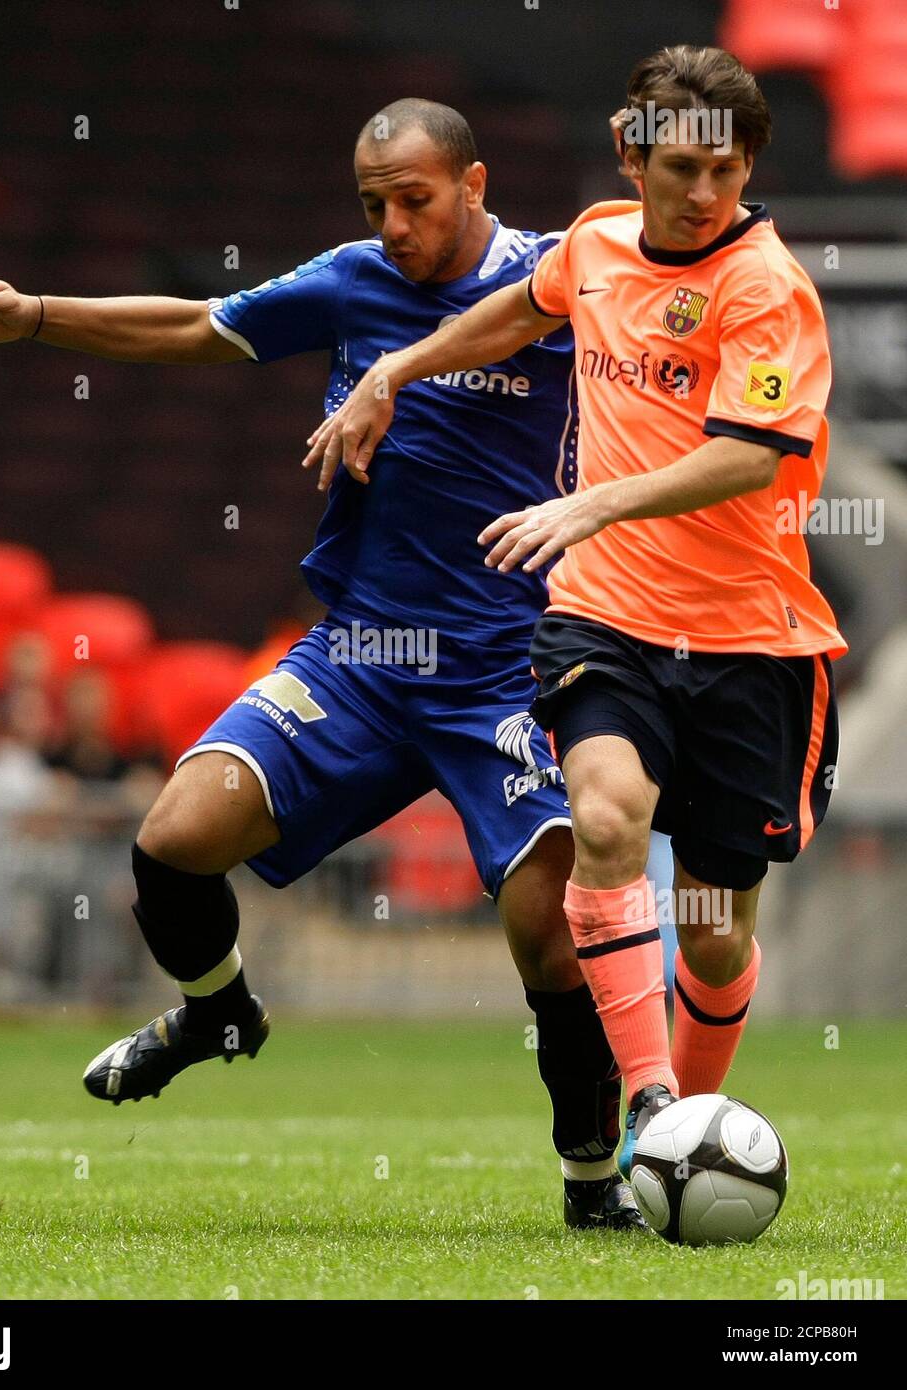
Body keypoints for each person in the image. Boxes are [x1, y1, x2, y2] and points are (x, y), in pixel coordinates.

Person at [0, 98, 643, 1229]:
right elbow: (198, 326)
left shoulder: (555, 283)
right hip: (358, 656)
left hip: (507, 668)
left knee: (548, 924)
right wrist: (36, 313)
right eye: (374, 204)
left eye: (416, 200)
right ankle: (216, 1011)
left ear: (475, 183)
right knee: (174, 841)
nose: (394, 225)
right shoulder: (352, 280)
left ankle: (592, 1181)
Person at [303, 53, 845, 1175]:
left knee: (711, 922)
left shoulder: (764, 286)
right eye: (682, 167)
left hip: (748, 638)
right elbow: (512, 313)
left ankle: (680, 1136)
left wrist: (589, 499)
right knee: (602, 821)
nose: (704, 194)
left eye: (725, 171)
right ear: (630, 153)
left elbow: (747, 459)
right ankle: (647, 1101)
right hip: (605, 615)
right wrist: (394, 368)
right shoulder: (594, 243)